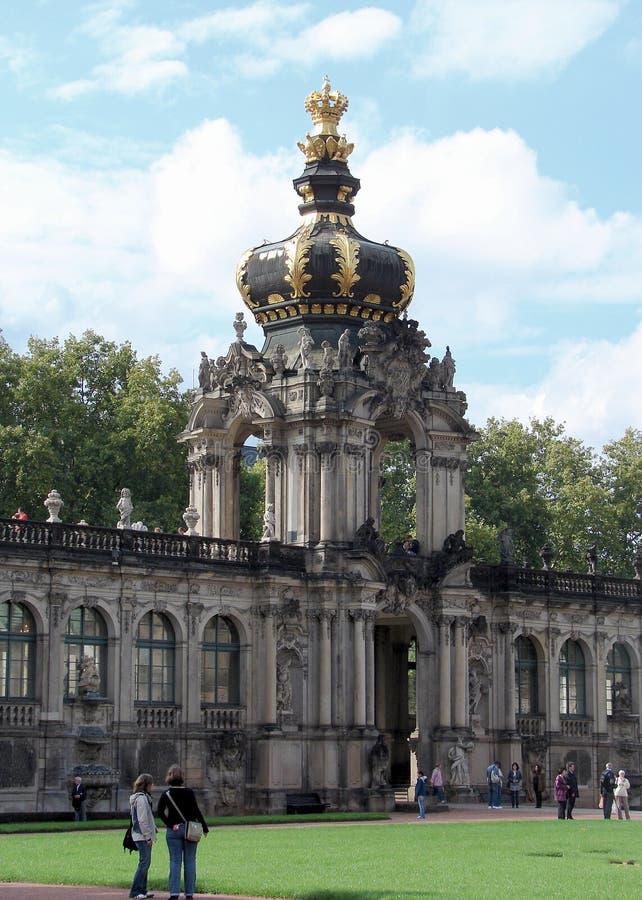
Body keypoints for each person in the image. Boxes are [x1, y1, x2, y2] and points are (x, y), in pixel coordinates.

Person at [157, 764, 209, 900]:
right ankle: (189, 894)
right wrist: (204, 827)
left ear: (169, 777)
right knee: (190, 862)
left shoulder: (166, 794)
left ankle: (174, 894)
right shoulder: (189, 792)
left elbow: (160, 813)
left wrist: (170, 824)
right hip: (189, 828)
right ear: (182, 778)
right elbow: (197, 811)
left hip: (174, 830)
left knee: (175, 862)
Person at [129, 772, 157, 900]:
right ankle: (135, 891)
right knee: (144, 863)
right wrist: (148, 836)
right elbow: (142, 820)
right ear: (146, 785)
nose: (153, 786)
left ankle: (142, 889)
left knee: (146, 863)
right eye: (151, 784)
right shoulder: (141, 799)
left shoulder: (143, 797)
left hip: (141, 835)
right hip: (142, 836)